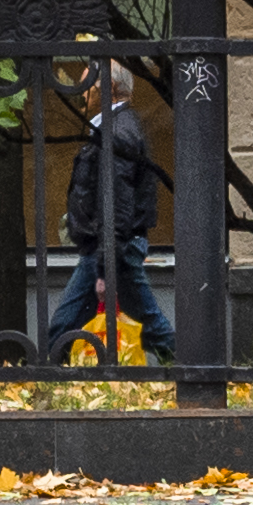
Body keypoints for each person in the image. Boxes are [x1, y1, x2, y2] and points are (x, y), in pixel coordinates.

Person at [38, 62, 166, 364]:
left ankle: (43, 384)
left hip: (110, 249)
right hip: (112, 248)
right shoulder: (115, 127)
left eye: (88, 88)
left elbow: (117, 206)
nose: (82, 97)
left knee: (63, 325)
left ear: (108, 89)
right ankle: (189, 368)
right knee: (148, 325)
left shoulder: (117, 132)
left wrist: (104, 268)